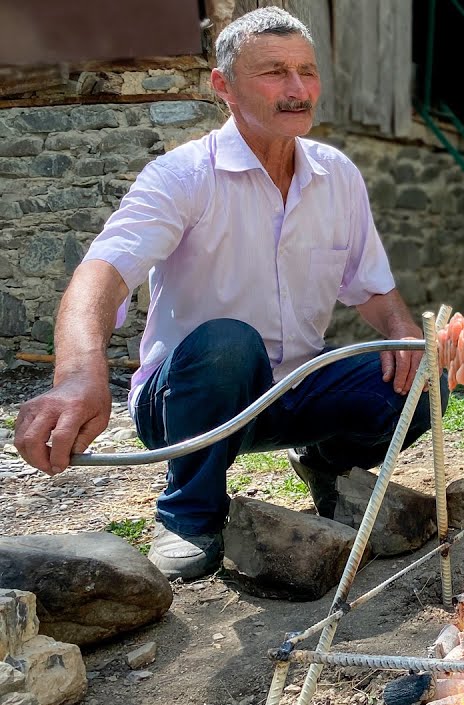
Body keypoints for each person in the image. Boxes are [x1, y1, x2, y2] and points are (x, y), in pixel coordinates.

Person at [13, 7, 441, 582]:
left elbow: (373, 288)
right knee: (226, 344)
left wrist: (400, 332)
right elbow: (101, 275)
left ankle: (328, 464)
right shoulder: (184, 176)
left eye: (306, 72)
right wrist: (76, 375)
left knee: (428, 369)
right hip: (190, 402)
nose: (297, 90)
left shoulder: (337, 176)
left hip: (291, 392)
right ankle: (190, 515)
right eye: (273, 73)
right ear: (223, 86)